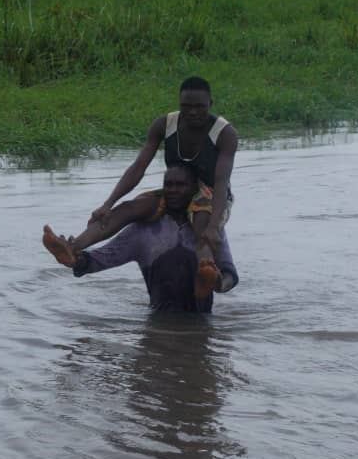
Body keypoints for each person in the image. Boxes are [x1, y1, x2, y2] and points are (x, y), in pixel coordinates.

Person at [43, 76, 238, 298]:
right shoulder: (164, 125)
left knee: (202, 221)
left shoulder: (225, 134)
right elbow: (138, 168)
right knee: (128, 208)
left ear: (210, 104)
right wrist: (108, 203)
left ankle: (206, 270)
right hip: (176, 189)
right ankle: (73, 247)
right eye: (186, 107)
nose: (192, 112)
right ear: (178, 104)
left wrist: (214, 225)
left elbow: (222, 181)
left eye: (199, 107)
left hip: (211, 194)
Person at [46, 162, 238, 314]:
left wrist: (218, 283)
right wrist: (77, 261)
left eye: (181, 185)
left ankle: (205, 283)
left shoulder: (209, 229)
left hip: (202, 322)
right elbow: (102, 258)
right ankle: (70, 251)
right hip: (159, 317)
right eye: (168, 185)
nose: (173, 190)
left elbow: (230, 274)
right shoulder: (142, 231)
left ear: (195, 190)